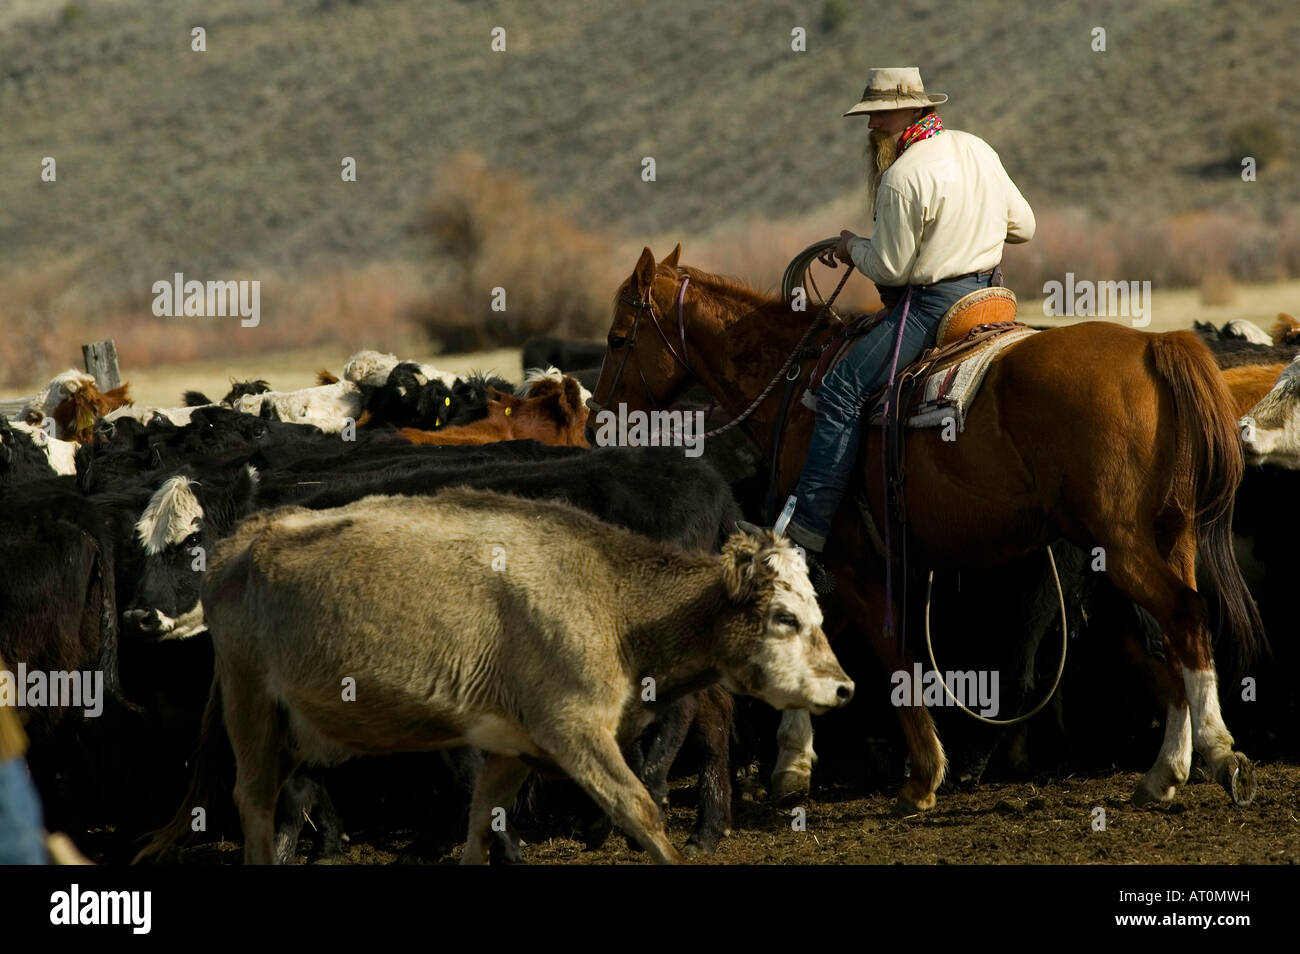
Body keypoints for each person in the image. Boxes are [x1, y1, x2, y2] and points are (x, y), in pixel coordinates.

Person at [782, 67, 1036, 585]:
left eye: (878, 113)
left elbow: (894, 269)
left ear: (911, 110)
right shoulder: (977, 148)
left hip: (933, 307)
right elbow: (1024, 227)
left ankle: (804, 536)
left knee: (841, 389)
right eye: (868, 114)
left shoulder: (903, 175)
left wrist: (851, 246)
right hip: (990, 296)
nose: (871, 124)